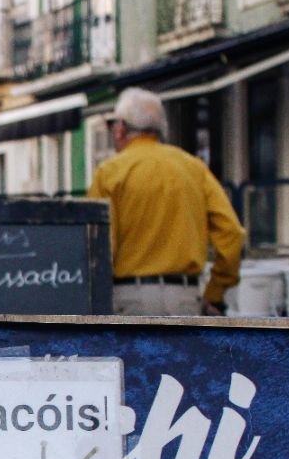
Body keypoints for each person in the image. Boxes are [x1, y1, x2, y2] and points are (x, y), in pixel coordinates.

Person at [86, 88, 245, 317]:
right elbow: (231, 233)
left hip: (128, 300)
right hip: (185, 298)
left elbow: (97, 246)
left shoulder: (110, 173)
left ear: (121, 129)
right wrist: (215, 292)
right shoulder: (193, 168)